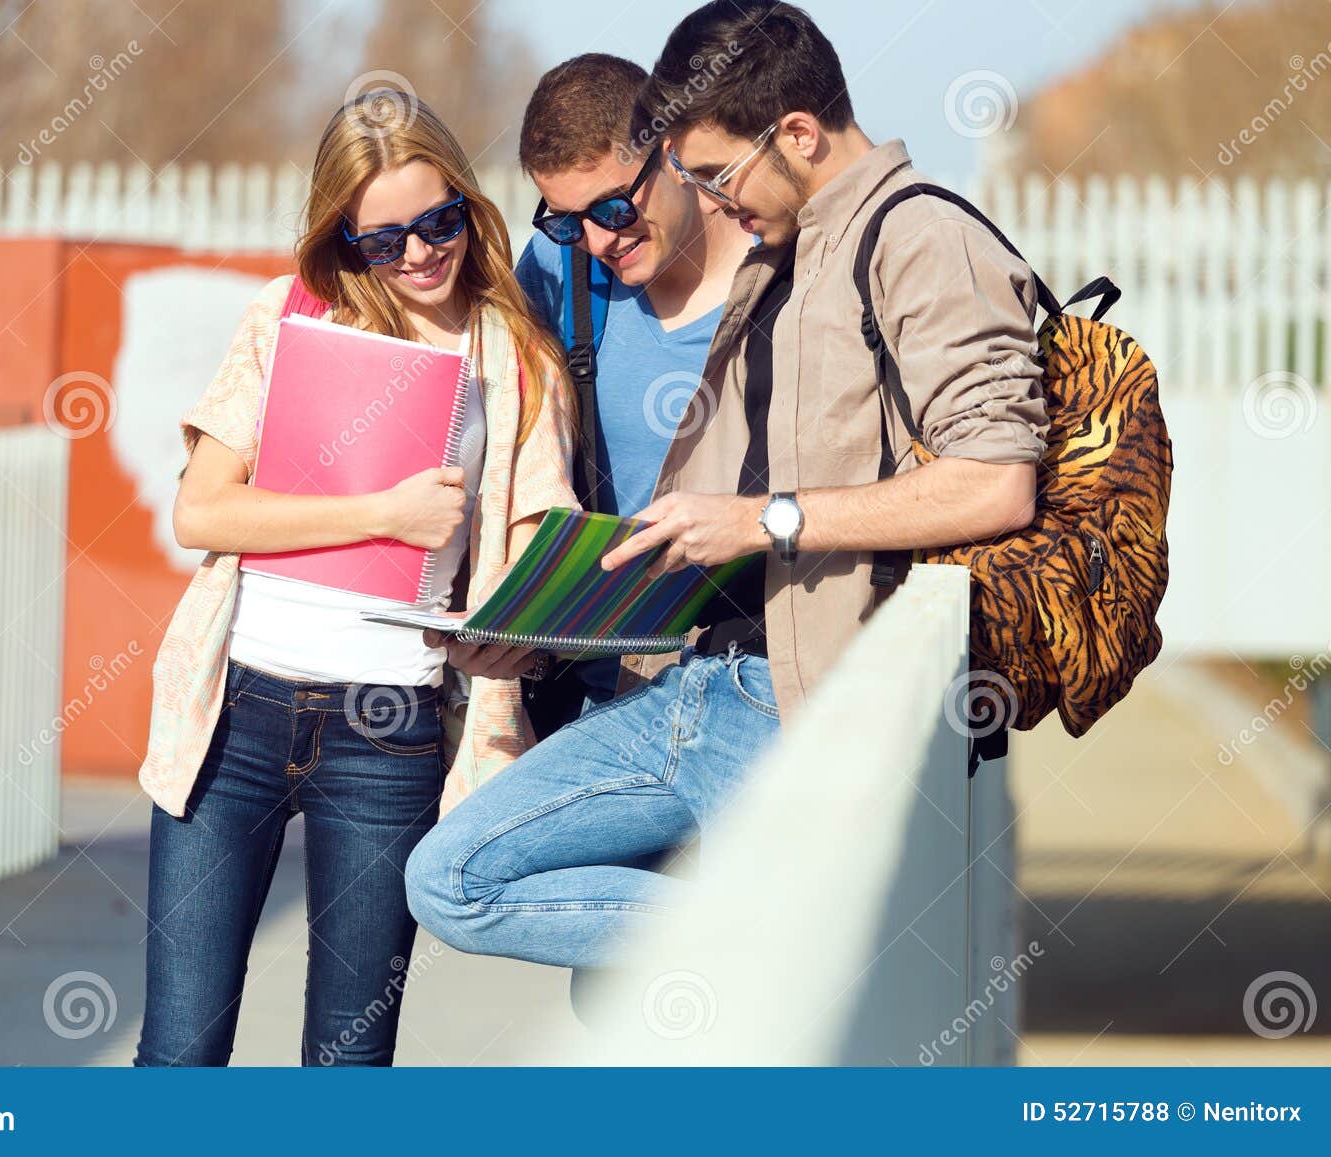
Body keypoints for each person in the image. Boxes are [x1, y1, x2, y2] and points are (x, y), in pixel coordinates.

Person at [406, 0, 1047, 970]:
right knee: (451, 877)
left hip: (793, 706)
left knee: (744, 1034)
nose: (710, 197)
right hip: (684, 681)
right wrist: (543, 634)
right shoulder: (791, 250)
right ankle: (763, 938)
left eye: (714, 174)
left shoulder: (921, 238)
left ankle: (777, 945)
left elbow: (997, 482)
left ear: (796, 131)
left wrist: (762, 519)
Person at [133, 91, 574, 1065]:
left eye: (438, 223)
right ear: (343, 234)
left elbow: (537, 555)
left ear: (467, 206)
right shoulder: (291, 314)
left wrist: (506, 629)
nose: (418, 254)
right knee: (178, 1052)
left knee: (347, 1065)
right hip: (236, 712)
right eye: (383, 240)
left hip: (392, 728)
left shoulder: (518, 357)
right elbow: (201, 510)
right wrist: (382, 513)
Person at [500, 53, 753, 737]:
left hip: (742, 686)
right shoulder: (560, 271)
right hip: (590, 696)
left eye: (614, 206)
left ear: (673, 150)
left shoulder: (778, 275)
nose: (597, 240)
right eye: (565, 219)